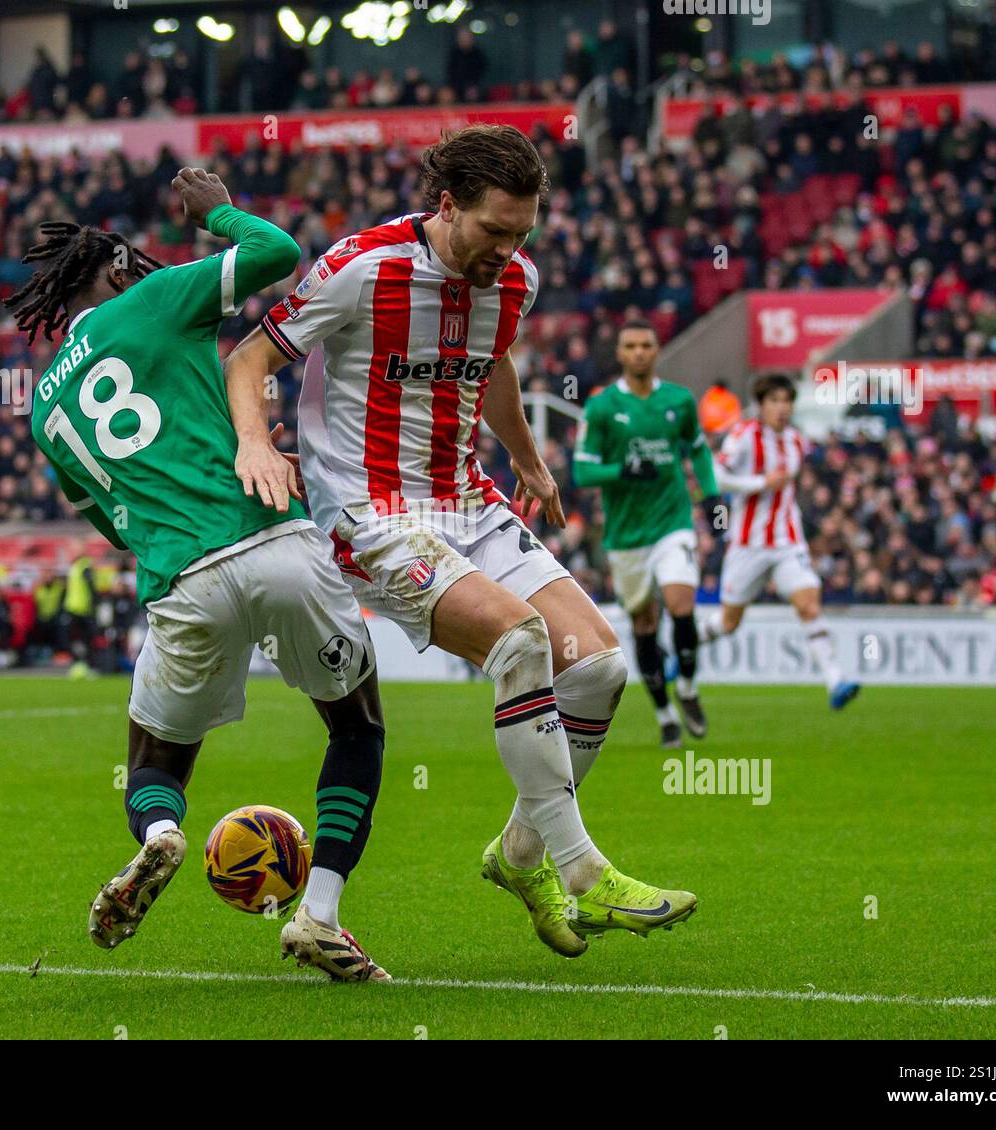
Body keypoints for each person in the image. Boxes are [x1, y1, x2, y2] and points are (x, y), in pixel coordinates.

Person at [225, 125, 696, 958]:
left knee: (597, 667)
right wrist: (256, 442)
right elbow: (252, 354)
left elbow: (496, 360)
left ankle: (520, 855)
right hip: (371, 513)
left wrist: (527, 456)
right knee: (518, 641)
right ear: (447, 206)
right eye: (494, 230)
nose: (508, 250)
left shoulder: (514, 278)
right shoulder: (362, 268)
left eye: (524, 232)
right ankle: (582, 868)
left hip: (466, 501)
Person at [7, 168, 389, 982]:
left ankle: (160, 836)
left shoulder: (44, 406)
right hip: (278, 547)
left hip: (184, 582)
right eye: (132, 259)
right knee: (356, 729)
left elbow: (114, 523)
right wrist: (212, 207)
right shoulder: (152, 301)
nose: (144, 265)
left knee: (153, 765)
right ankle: (318, 916)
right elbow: (276, 252)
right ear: (111, 268)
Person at [573, 322, 721, 749]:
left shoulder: (679, 400)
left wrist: (710, 496)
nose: (639, 352)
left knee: (680, 602)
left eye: (646, 345)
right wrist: (624, 471)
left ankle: (689, 687)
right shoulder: (602, 408)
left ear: (656, 351)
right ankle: (665, 713)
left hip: (673, 523)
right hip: (625, 536)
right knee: (643, 623)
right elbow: (583, 470)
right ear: (620, 353)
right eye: (630, 345)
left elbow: (697, 448)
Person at [699, 374, 861, 710]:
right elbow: (715, 476)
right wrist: (761, 482)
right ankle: (684, 645)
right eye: (774, 401)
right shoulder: (744, 436)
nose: (782, 408)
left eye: (787, 401)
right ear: (761, 405)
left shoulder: (797, 442)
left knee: (808, 604)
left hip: (788, 540)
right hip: (748, 543)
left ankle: (835, 680)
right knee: (729, 623)